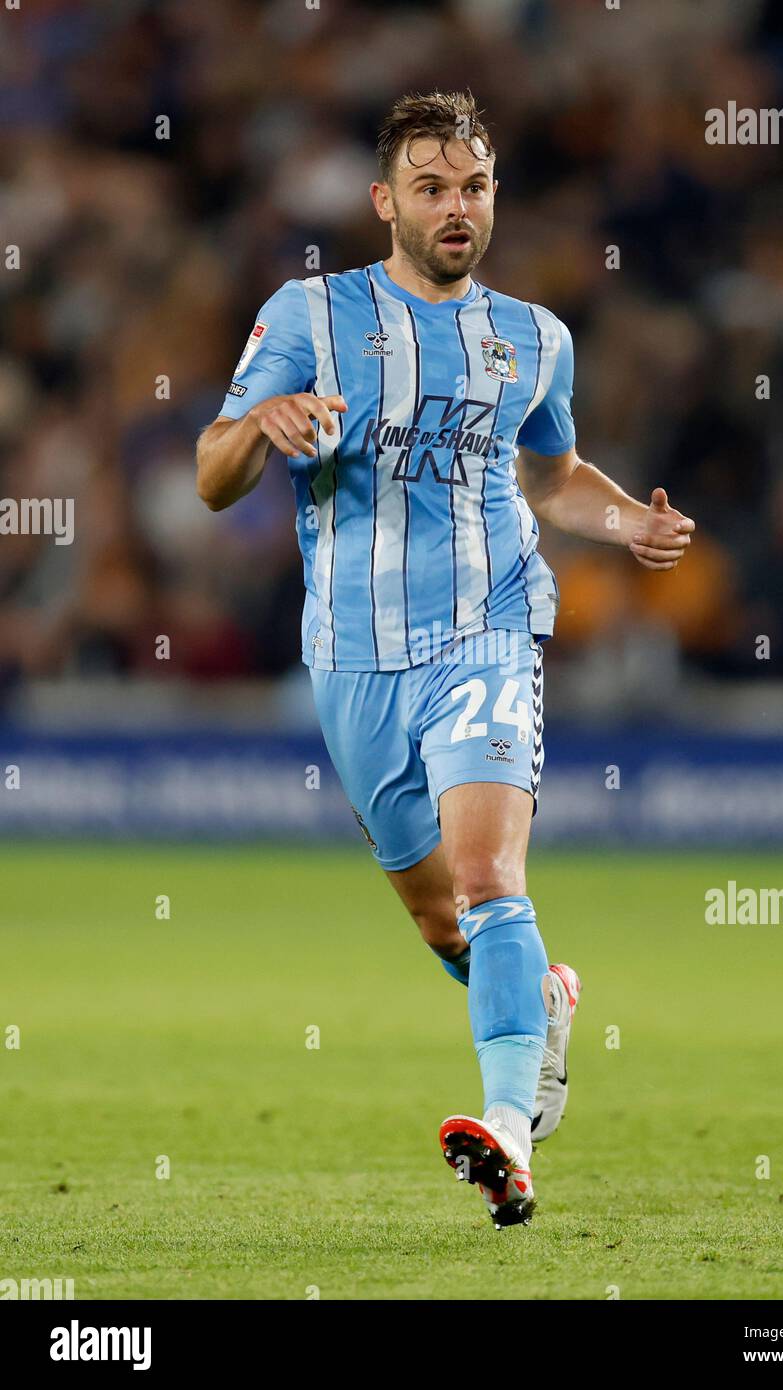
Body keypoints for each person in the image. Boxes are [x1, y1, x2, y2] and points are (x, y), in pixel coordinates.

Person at [196, 89, 695, 1228]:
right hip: (352, 656)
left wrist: (630, 523)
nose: (455, 206)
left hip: (488, 629)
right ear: (385, 202)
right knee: (442, 920)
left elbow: (553, 472)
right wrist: (256, 432)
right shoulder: (306, 316)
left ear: (492, 195)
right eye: (431, 188)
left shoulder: (533, 338)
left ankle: (509, 1134)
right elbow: (209, 476)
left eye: (472, 186)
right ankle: (541, 997)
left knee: (486, 882)